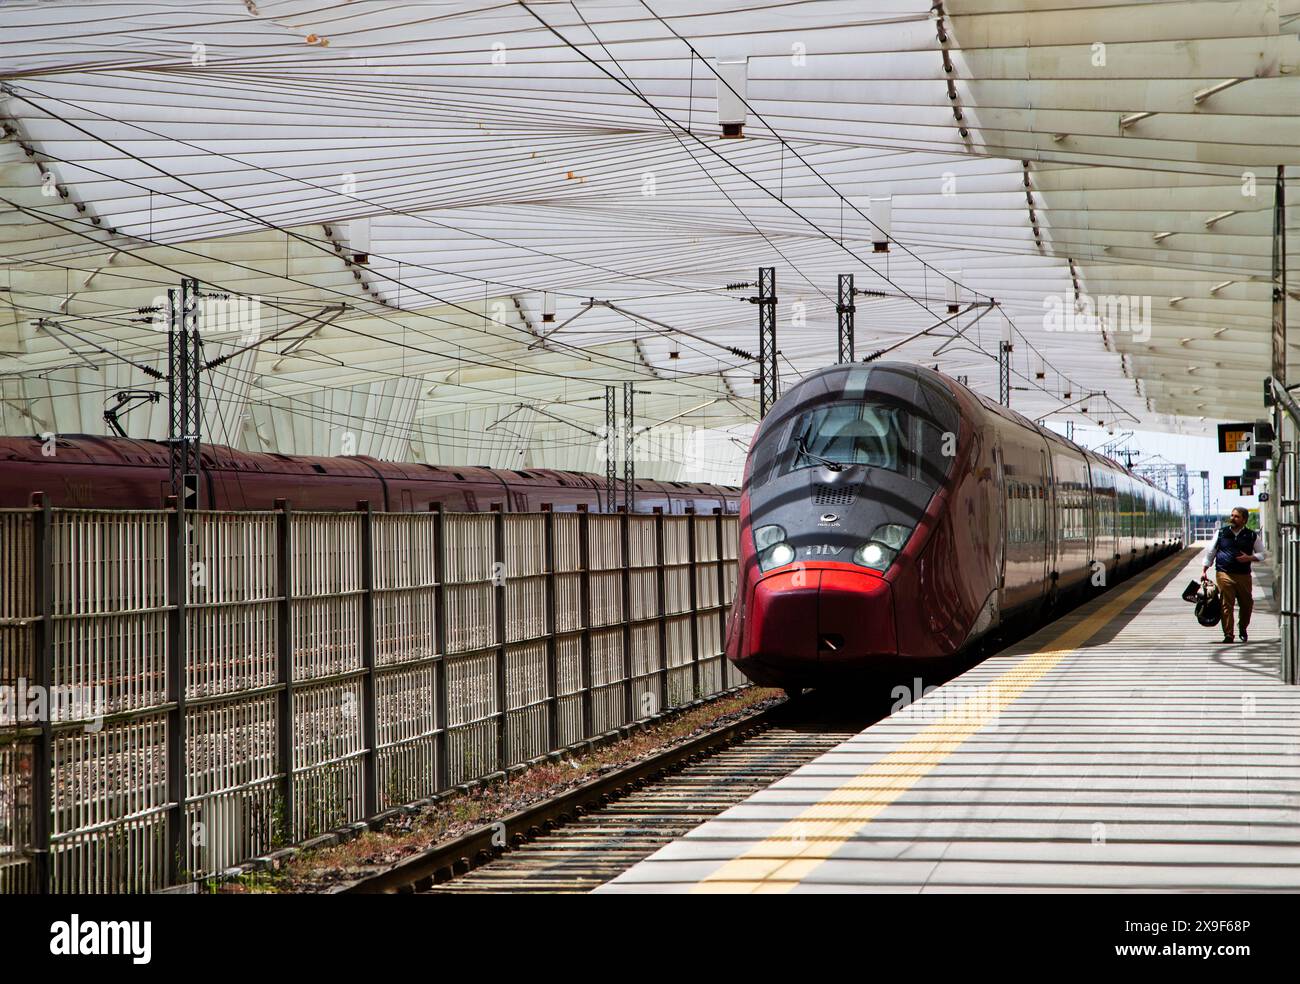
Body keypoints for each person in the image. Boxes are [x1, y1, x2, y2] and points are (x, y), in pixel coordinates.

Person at [1201, 507, 1264, 643]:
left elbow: (1262, 554)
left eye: (1236, 516)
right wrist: (1204, 569)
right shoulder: (1221, 533)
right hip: (1224, 574)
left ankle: (1242, 628)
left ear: (1244, 520)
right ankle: (1228, 634)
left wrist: (1249, 558)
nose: (1232, 518)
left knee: (1247, 605)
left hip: (1243, 576)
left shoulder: (1252, 536)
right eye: (1232, 515)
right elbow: (1211, 551)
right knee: (1226, 604)